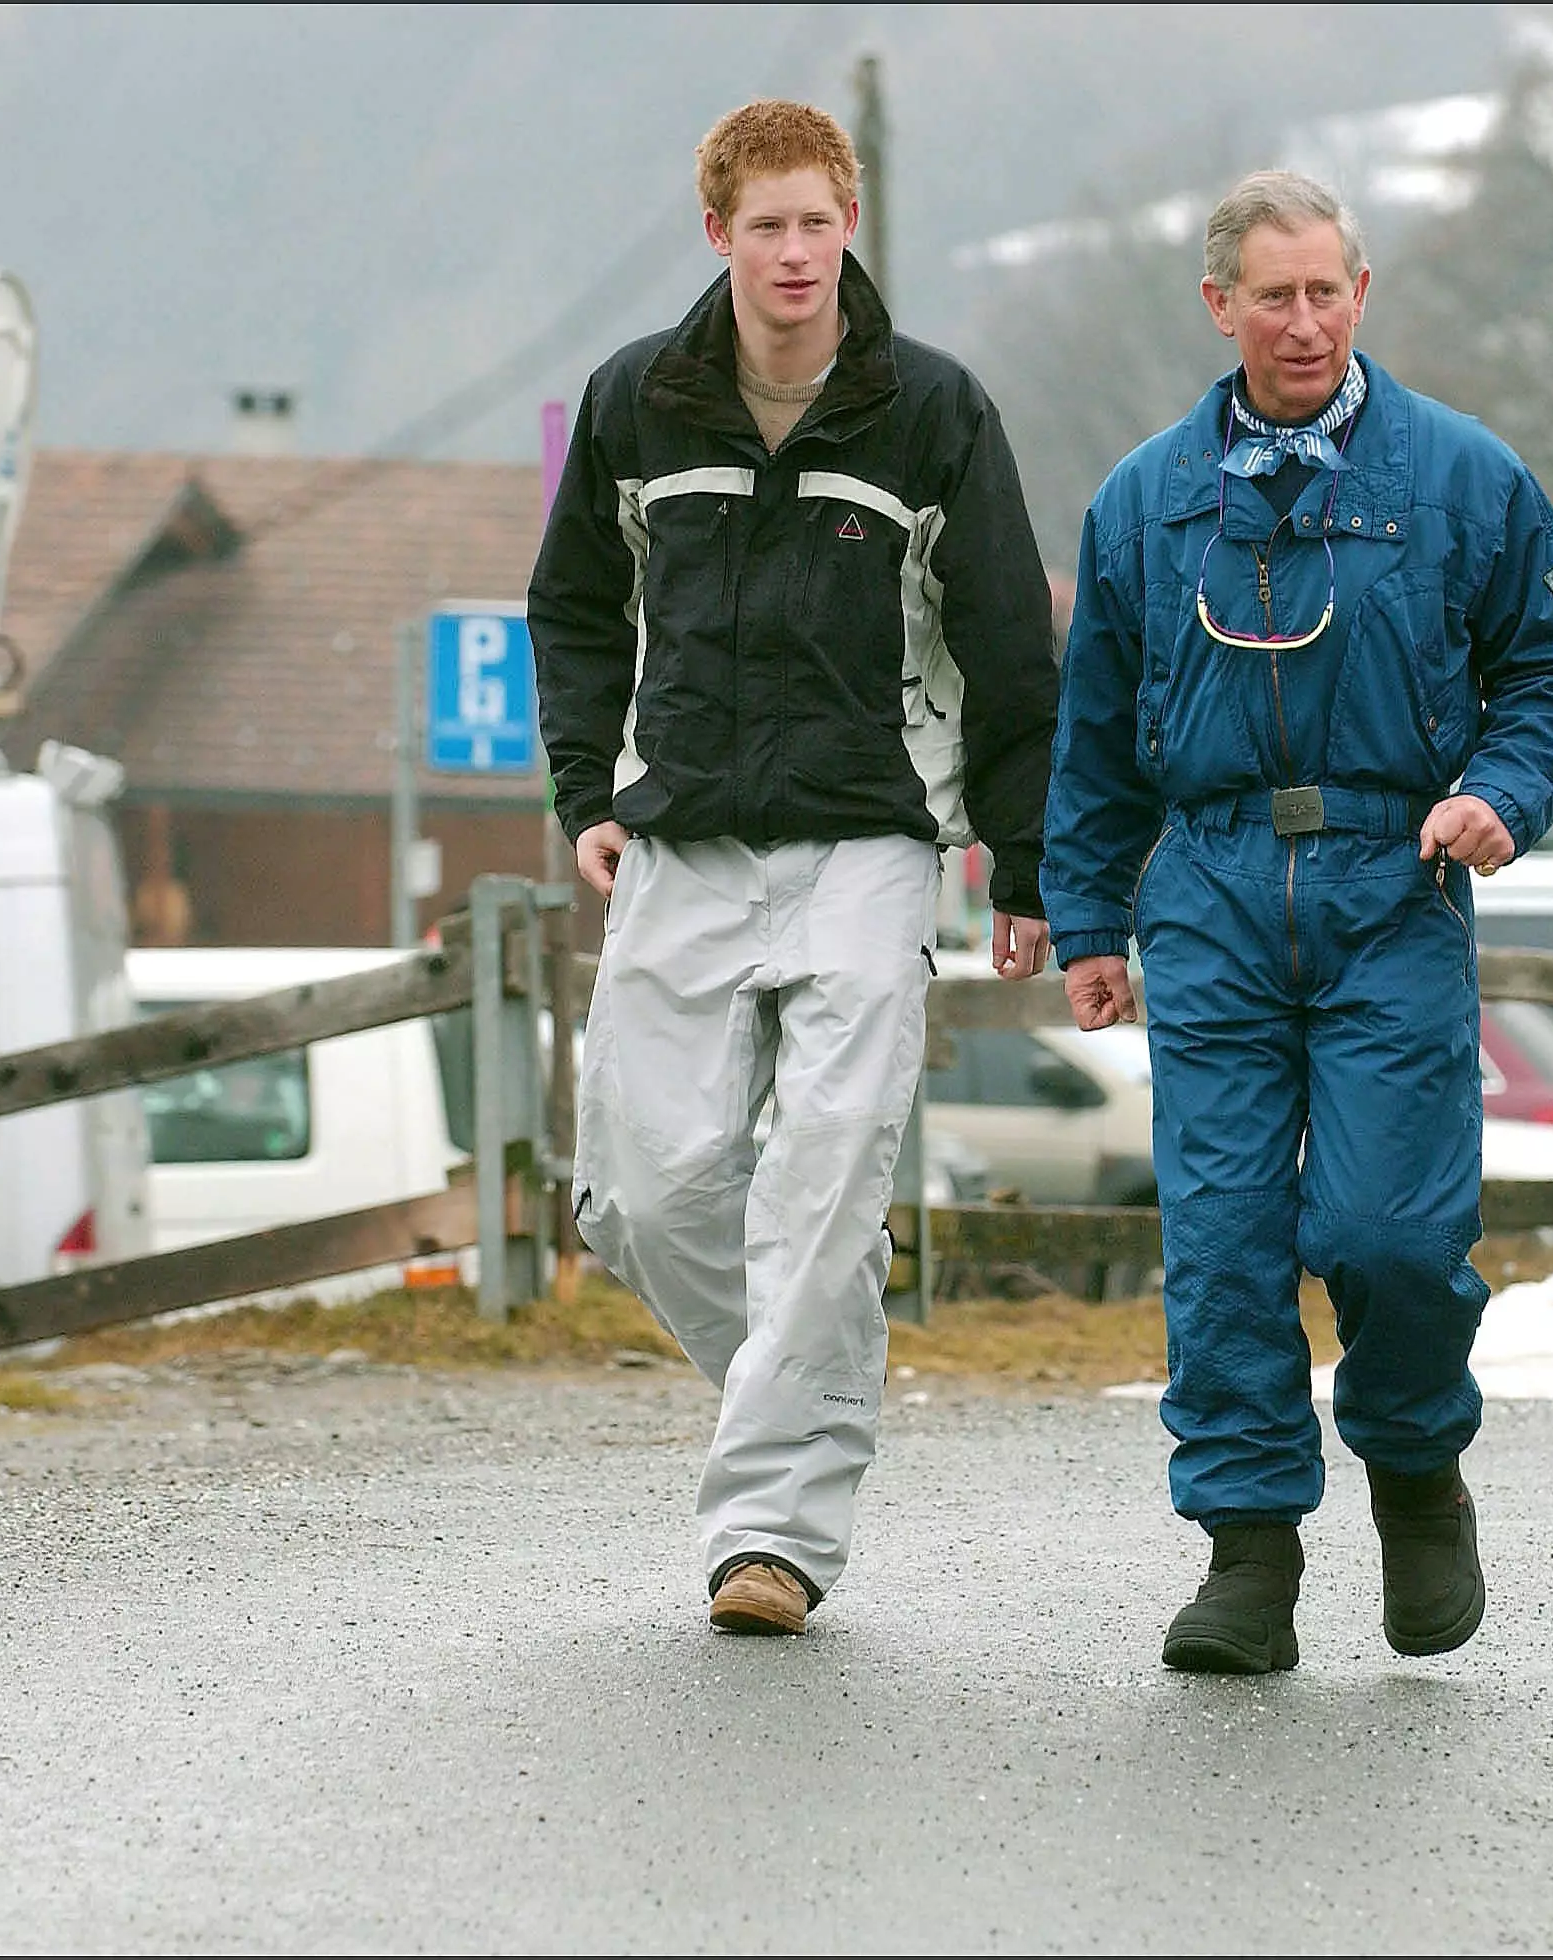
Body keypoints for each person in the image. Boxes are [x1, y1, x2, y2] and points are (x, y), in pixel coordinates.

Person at [1040, 169, 1553, 1674]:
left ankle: (1418, 1473)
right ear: (1218, 304)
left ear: (1362, 294)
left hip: (1392, 887)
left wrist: (1503, 791)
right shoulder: (1148, 500)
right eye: (1270, 295)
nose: (1300, 323)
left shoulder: (1462, 478)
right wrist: (1089, 914)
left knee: (1388, 1234)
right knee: (1224, 1240)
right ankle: (1249, 1559)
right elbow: (1095, 727)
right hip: (1214, 893)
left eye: (1325, 291)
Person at [528, 100, 1059, 1636]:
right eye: (766, 224)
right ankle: (818, 1403)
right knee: (636, 1191)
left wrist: (1024, 866)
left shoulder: (932, 412)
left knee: (826, 1181)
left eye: (819, 222)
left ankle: (770, 1534)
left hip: (869, 842)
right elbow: (571, 613)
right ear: (720, 235)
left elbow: (1010, 648)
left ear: (849, 229)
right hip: (679, 831)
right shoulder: (635, 404)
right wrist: (586, 792)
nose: (795, 252)